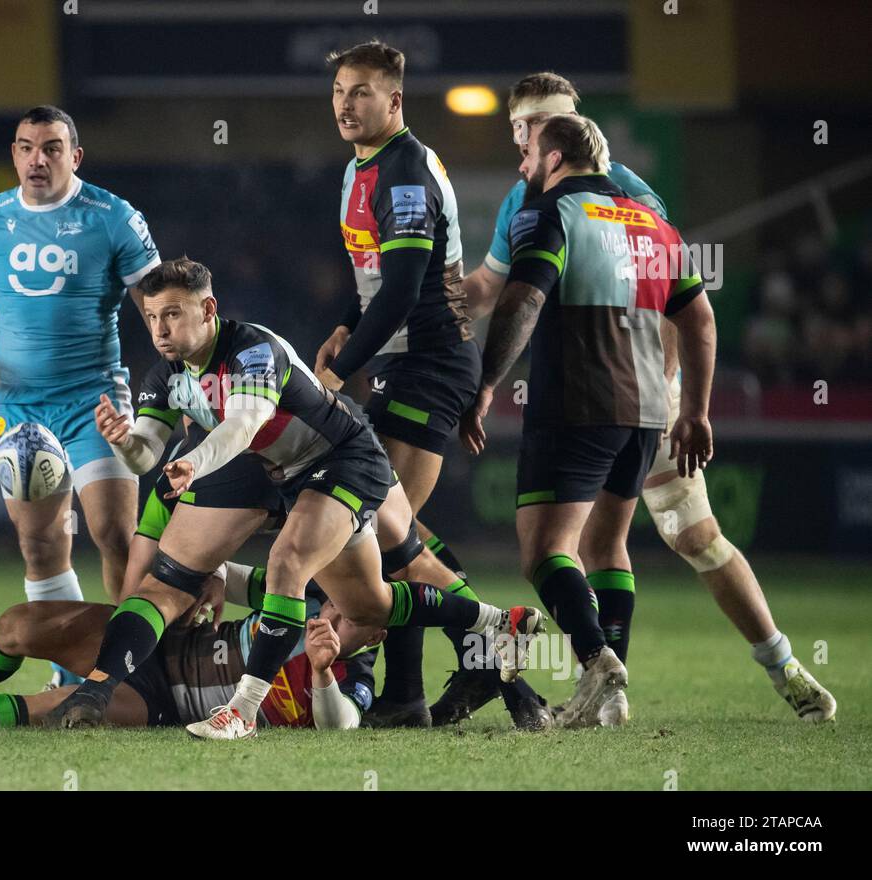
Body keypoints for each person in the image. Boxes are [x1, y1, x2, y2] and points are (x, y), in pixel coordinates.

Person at [462, 72, 835, 724]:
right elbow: (493, 286)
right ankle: (616, 697)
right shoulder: (537, 201)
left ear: (565, 135)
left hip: (615, 389)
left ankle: (757, 663)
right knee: (612, 544)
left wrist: (679, 394)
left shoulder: (592, 195)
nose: (527, 139)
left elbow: (559, 295)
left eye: (540, 127)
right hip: (642, 402)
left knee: (595, 543)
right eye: (520, 127)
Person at [43, 257, 545, 739]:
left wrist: (195, 463)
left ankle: (241, 710)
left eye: (172, 314)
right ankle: (497, 621)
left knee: (303, 561)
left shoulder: (253, 352)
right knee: (368, 605)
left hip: (345, 457)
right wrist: (125, 440)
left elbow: (243, 426)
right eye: (152, 317)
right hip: (283, 474)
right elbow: (146, 453)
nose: (160, 330)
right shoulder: (167, 374)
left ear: (208, 309)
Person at [460, 114, 717, 728]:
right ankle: (612, 698)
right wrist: (697, 412)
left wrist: (487, 382)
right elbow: (700, 321)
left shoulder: (551, 214)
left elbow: (521, 300)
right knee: (607, 545)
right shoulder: (655, 224)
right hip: (649, 414)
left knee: (544, 551)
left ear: (553, 160)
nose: (523, 170)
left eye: (528, 159)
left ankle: (597, 659)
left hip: (577, 405)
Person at [312, 40, 540, 728]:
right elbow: (378, 276)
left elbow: (408, 287)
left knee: (382, 532)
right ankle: (434, 680)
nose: (347, 105)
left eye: (362, 92)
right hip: (408, 361)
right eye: (340, 92)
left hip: (431, 362)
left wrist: (342, 365)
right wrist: (347, 326)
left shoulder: (404, 169)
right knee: (392, 534)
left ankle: (437, 675)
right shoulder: (364, 166)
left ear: (395, 100)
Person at [0, 106, 161, 687]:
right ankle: (70, 673)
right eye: (27, 147)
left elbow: (158, 306)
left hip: (95, 401)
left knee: (113, 534)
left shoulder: (114, 218)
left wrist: (178, 378)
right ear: (14, 154)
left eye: (52, 147)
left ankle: (138, 675)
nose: (38, 159)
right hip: (22, 409)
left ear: (74, 156)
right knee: (39, 542)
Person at [0, 582, 379, 732]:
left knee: (56, 710)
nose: (332, 619)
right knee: (16, 625)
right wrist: (215, 578)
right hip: (152, 644)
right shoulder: (297, 592)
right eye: (335, 604)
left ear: (372, 637)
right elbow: (221, 562)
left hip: (161, 704)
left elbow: (342, 726)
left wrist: (319, 673)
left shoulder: (350, 674)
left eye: (351, 619)